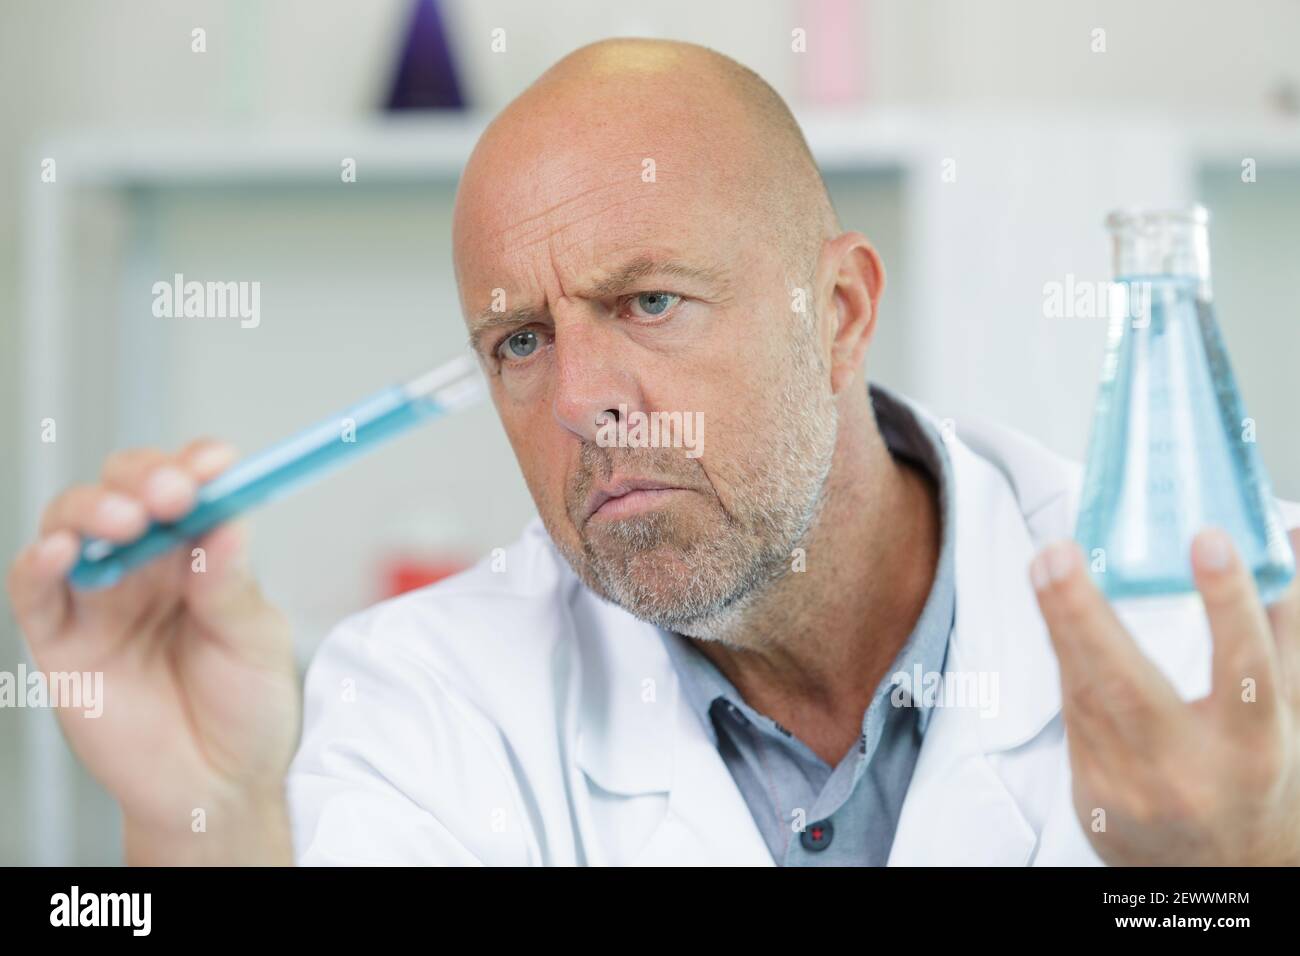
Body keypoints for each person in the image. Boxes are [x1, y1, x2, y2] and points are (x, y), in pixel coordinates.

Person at [9, 38, 1300, 866]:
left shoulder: (1240, 625)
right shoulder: (424, 698)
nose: (582, 400)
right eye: (518, 340)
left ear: (839, 311)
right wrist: (207, 826)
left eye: (650, 304)